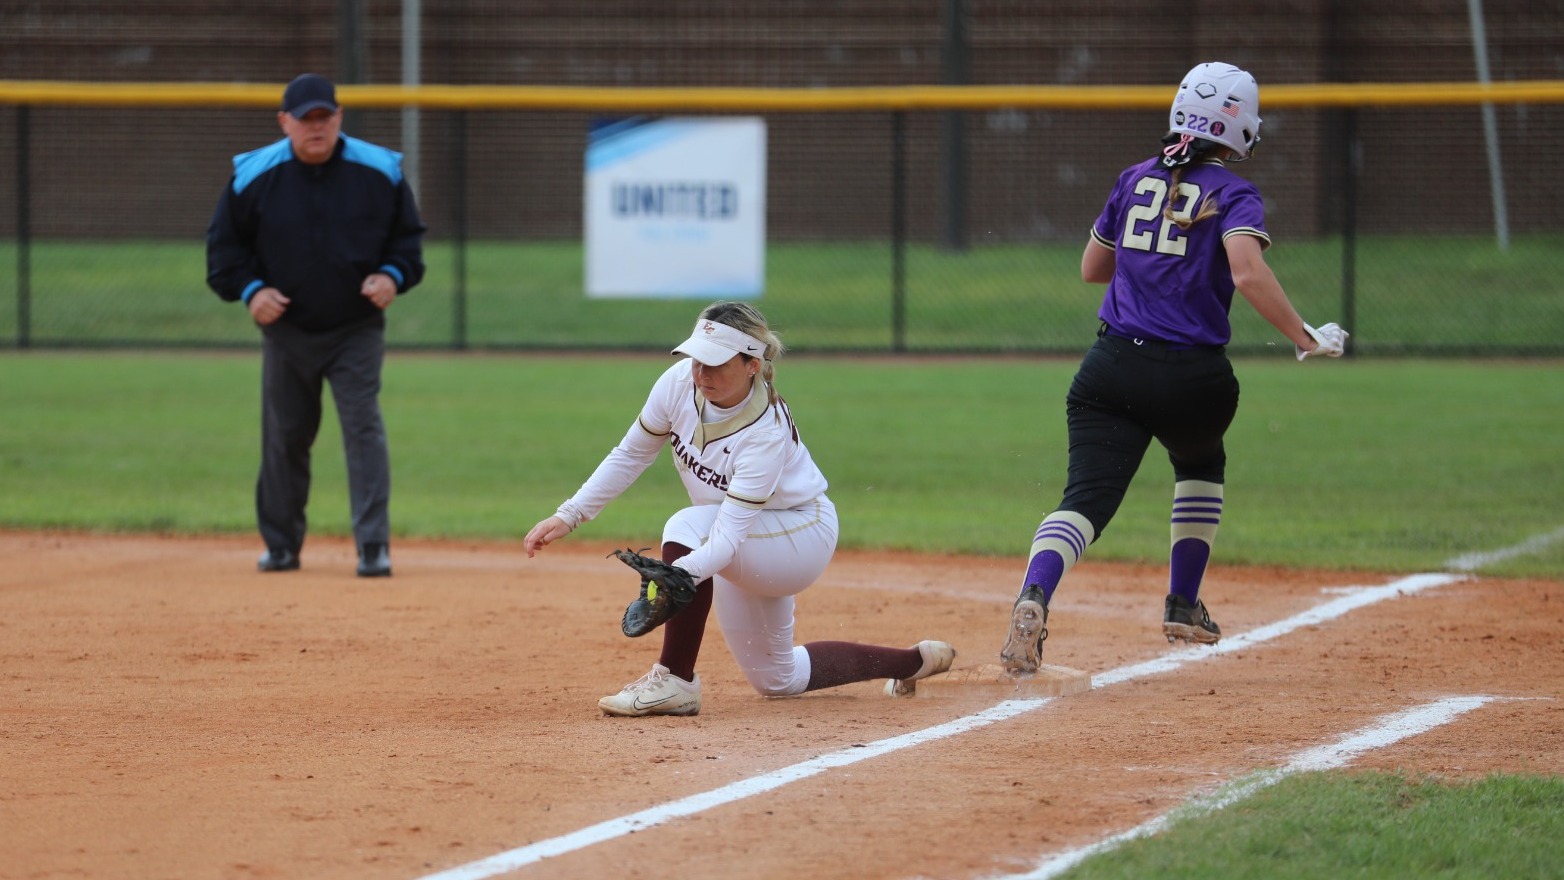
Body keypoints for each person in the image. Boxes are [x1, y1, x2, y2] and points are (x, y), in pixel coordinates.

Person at [999, 62, 1348, 673]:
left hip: (1109, 367)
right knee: (1199, 462)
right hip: (1193, 376)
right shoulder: (1233, 192)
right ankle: (1183, 603)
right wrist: (1304, 337)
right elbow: (1245, 270)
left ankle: (1034, 595)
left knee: (1085, 501)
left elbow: (1092, 269)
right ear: (1237, 129)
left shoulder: (1134, 178)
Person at [524, 301, 955, 716]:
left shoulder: (764, 431)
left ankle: (675, 681)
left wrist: (680, 575)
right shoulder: (678, 383)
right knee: (777, 679)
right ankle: (911, 663)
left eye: (715, 362)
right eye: (696, 358)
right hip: (744, 535)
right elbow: (632, 453)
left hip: (799, 535)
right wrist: (570, 513)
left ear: (752, 364)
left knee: (686, 526)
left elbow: (727, 540)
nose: (700, 372)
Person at [206, 73, 426, 578]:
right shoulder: (252, 175)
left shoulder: (380, 170)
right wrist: (251, 290)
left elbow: (408, 244)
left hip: (356, 327)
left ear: (339, 117)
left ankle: (374, 547)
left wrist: (393, 275)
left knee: (362, 427)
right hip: (287, 329)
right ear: (285, 122)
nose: (316, 127)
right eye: (305, 119)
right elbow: (223, 253)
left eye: (324, 117)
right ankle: (281, 545)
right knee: (285, 435)